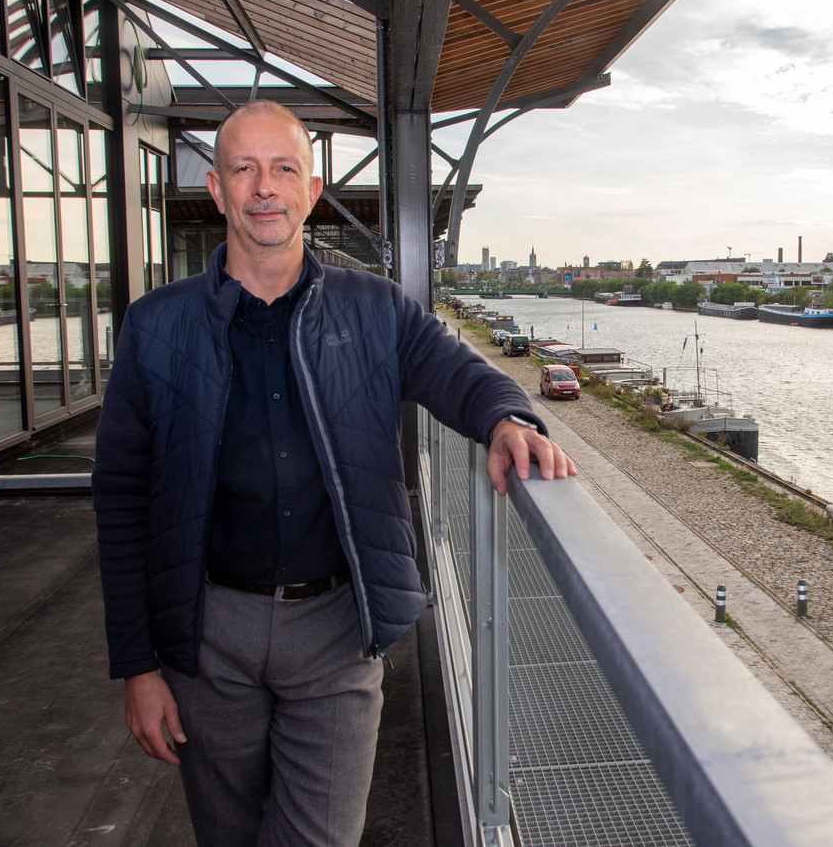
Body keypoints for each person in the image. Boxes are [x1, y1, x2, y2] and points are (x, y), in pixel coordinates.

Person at [94, 99, 574, 846]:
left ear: (310, 191)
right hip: (204, 629)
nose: (264, 187)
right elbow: (120, 500)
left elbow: (461, 376)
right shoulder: (156, 326)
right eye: (243, 169)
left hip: (338, 627)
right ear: (218, 190)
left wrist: (510, 420)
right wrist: (137, 666)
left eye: (283, 168)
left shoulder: (377, 310)